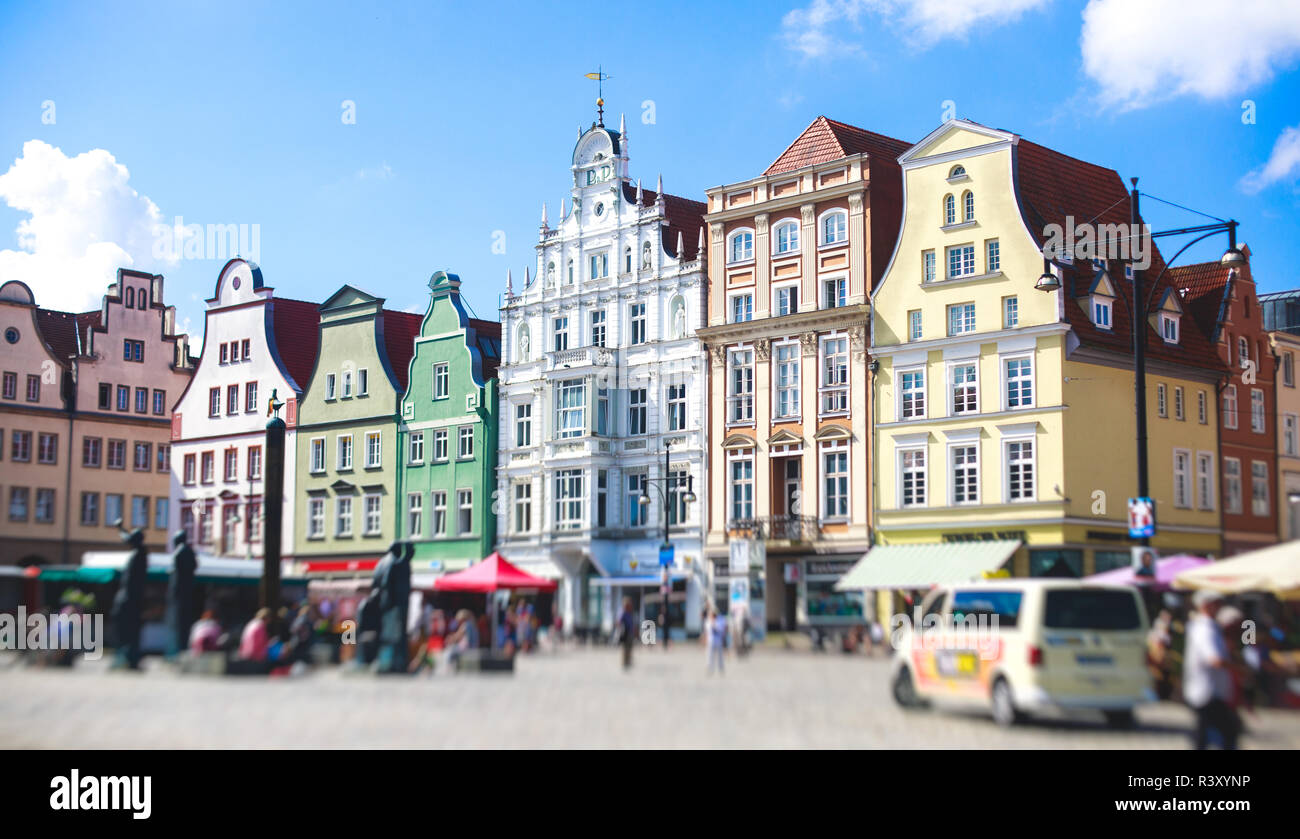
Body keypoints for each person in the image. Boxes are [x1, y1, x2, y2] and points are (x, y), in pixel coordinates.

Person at [1183, 590, 1239, 749]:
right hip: (1208, 691)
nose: (1219, 607)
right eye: (1216, 604)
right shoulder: (1205, 629)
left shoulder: (1208, 627)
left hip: (1209, 690)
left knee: (1205, 734)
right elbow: (1214, 660)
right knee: (1227, 732)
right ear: (1206, 606)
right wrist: (1239, 668)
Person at [617, 597, 636, 671]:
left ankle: (628, 662)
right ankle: (625, 662)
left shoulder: (629, 613)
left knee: (630, 648)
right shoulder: (623, 613)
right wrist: (621, 629)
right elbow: (619, 622)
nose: (629, 606)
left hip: (630, 632)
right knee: (625, 648)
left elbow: (631, 623)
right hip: (625, 633)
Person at [707, 607, 727, 675]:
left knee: (720, 656)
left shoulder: (720, 620)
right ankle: (710, 669)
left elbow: (721, 630)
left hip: (718, 640)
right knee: (711, 656)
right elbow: (708, 630)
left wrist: (714, 624)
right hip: (712, 640)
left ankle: (721, 668)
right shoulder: (709, 620)